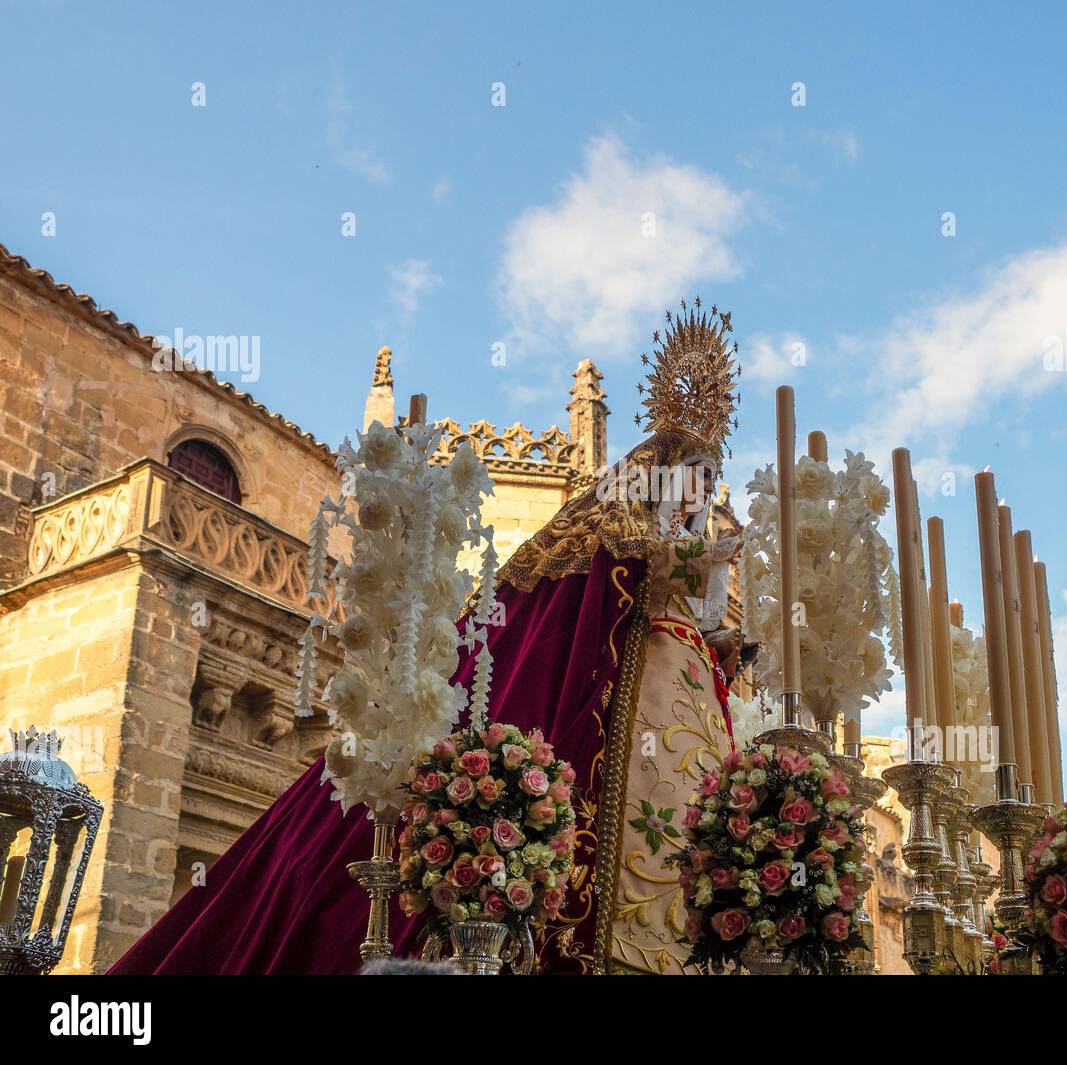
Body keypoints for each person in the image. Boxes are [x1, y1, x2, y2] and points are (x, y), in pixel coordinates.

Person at [109, 299, 743, 975]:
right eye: (692, 480)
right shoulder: (616, 530)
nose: (699, 496)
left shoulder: (671, 545)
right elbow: (609, 578)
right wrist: (689, 560)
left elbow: (677, 607)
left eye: (707, 482)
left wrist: (718, 633)